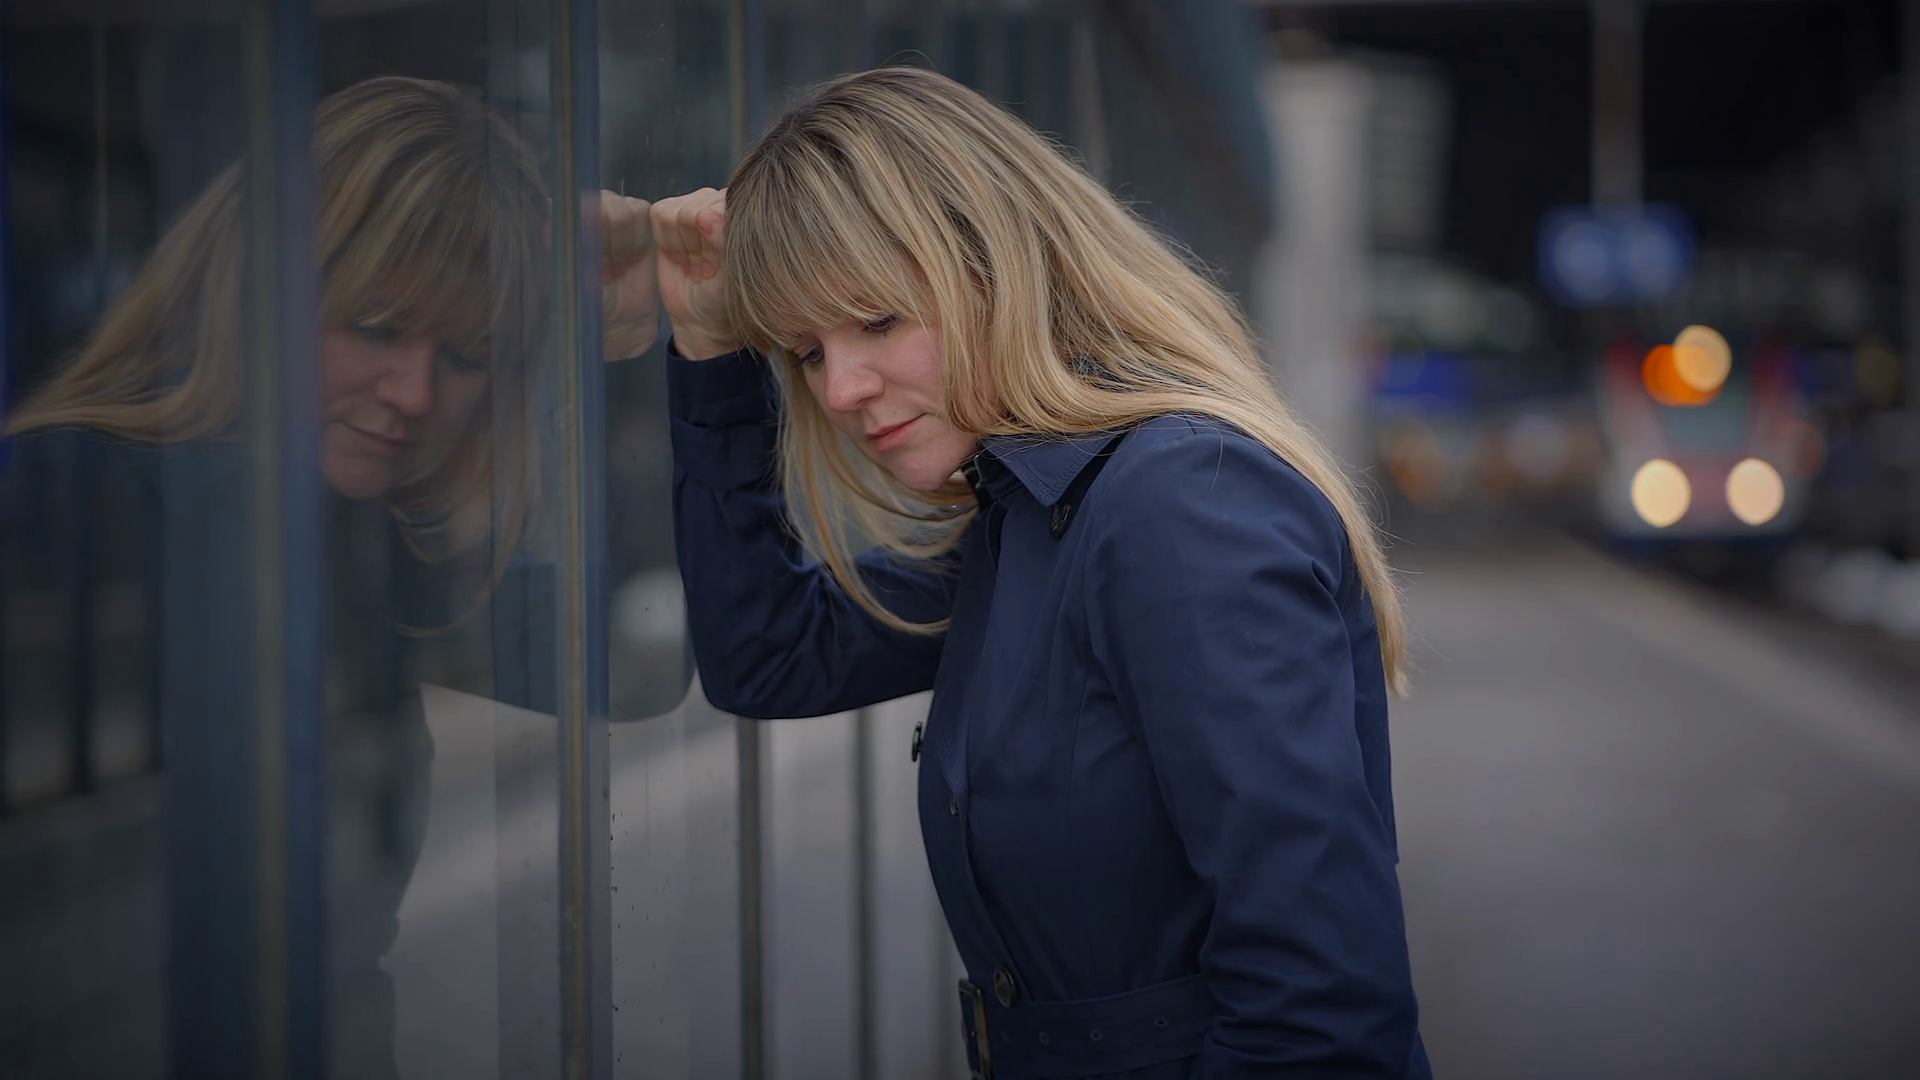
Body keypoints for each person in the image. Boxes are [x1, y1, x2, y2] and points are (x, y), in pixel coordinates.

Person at [652, 66, 1430, 1078]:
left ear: (998, 265)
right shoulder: (1029, 517)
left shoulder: (1178, 507)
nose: (840, 389)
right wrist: (713, 352)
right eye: (803, 351)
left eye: (878, 322)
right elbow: (770, 657)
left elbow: (1323, 1012)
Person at [1, 76, 657, 1078]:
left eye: (471, 353)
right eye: (376, 326)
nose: (414, 392)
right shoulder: (125, 511)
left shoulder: (321, 516)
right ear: (256, 290)